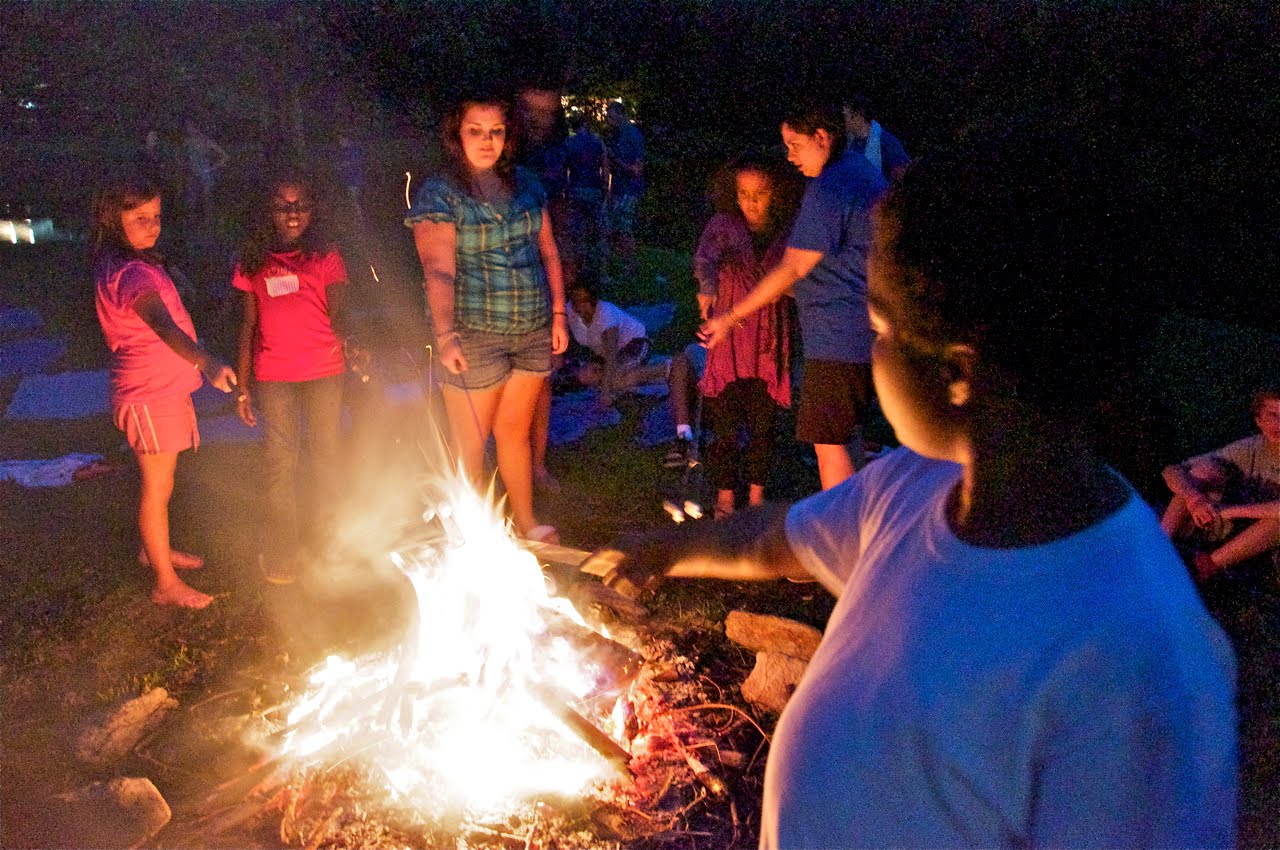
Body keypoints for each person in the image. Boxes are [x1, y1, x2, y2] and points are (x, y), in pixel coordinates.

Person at [602, 127, 1237, 848]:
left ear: (959, 372)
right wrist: (664, 548)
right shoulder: (919, 485)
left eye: (880, 328)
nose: (871, 353)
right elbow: (780, 536)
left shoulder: (1138, 672)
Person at [406, 96, 569, 543]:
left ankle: (527, 522)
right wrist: (445, 336)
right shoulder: (441, 195)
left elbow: (549, 251)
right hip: (474, 333)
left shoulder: (527, 185)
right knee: (471, 444)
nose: (487, 140)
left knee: (514, 435)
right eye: (475, 130)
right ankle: (471, 536)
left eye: (495, 130)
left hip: (531, 328)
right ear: (457, 136)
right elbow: (438, 270)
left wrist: (557, 313)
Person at [702, 101, 886, 490]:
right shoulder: (859, 172)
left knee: (829, 445)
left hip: (839, 336)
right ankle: (851, 525)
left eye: (794, 145)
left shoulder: (832, 187)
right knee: (844, 436)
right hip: (860, 330)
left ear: (821, 137)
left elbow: (792, 267)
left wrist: (730, 316)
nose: (789, 157)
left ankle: (840, 537)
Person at [92, 177, 237, 609]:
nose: (152, 225)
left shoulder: (129, 262)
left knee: (163, 483)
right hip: (148, 395)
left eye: (155, 216)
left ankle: (153, 551)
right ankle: (165, 583)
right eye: (139, 218)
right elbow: (163, 327)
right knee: (156, 488)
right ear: (112, 220)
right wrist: (206, 362)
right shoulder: (131, 273)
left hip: (159, 392)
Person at [233, 173, 364, 584]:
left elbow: (340, 310)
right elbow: (247, 327)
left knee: (326, 456)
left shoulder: (325, 256)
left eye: (300, 204)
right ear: (267, 209)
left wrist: (349, 339)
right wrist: (242, 386)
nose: (292, 214)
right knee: (280, 463)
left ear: (314, 209)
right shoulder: (252, 262)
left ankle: (331, 542)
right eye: (282, 204)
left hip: (325, 371)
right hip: (274, 376)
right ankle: (282, 547)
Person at [687, 153, 795, 517]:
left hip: (767, 336)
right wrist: (707, 286)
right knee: (726, 425)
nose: (750, 201)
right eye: (743, 193)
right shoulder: (723, 226)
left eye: (759, 193)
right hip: (728, 340)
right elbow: (705, 260)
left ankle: (756, 498)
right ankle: (725, 497)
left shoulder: (786, 230)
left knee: (764, 425)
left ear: (774, 194)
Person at [1162, 388, 1280, 580]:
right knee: (1203, 471)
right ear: (1259, 420)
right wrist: (1195, 499)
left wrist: (1230, 510)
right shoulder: (1251, 447)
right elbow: (1172, 471)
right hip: (1230, 523)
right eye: (1273, 415)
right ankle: (1159, 543)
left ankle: (1203, 569)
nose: (1278, 424)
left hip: (1262, 532)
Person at [564, 278, 668, 408]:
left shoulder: (605, 314)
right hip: (603, 354)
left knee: (615, 381)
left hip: (634, 344)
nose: (578, 305)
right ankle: (639, 376)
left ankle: (665, 368)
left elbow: (611, 354)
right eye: (575, 300)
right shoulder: (569, 312)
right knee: (585, 376)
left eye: (584, 300)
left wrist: (606, 392)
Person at [562, 111, 609, 279]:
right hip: (594, 190)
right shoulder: (597, 142)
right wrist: (605, 188)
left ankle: (580, 270)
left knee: (578, 233)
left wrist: (565, 191)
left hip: (576, 190)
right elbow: (605, 167)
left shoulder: (569, 143)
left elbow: (564, 169)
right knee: (599, 232)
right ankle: (602, 273)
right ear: (586, 124)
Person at [604, 100, 645, 282]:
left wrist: (614, 159)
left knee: (623, 228)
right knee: (614, 227)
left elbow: (637, 169)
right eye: (608, 117)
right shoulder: (617, 135)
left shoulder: (632, 135)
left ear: (621, 115)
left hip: (630, 190)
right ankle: (624, 263)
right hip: (620, 189)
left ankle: (632, 265)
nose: (609, 120)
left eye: (612, 116)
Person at [842, 93, 910, 182]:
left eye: (845, 116)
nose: (843, 120)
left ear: (858, 116)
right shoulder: (846, 143)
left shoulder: (887, 143)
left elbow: (904, 175)